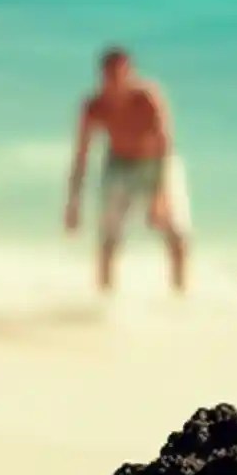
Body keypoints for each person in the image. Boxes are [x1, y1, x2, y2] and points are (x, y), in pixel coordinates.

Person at [65, 46, 191, 294]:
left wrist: (159, 195)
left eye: (121, 74)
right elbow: (81, 156)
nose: (115, 81)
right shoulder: (94, 106)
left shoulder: (147, 98)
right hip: (119, 165)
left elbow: (165, 144)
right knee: (109, 235)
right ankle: (105, 298)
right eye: (110, 75)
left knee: (175, 231)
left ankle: (180, 294)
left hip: (156, 162)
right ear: (102, 75)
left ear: (130, 72)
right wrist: (73, 203)